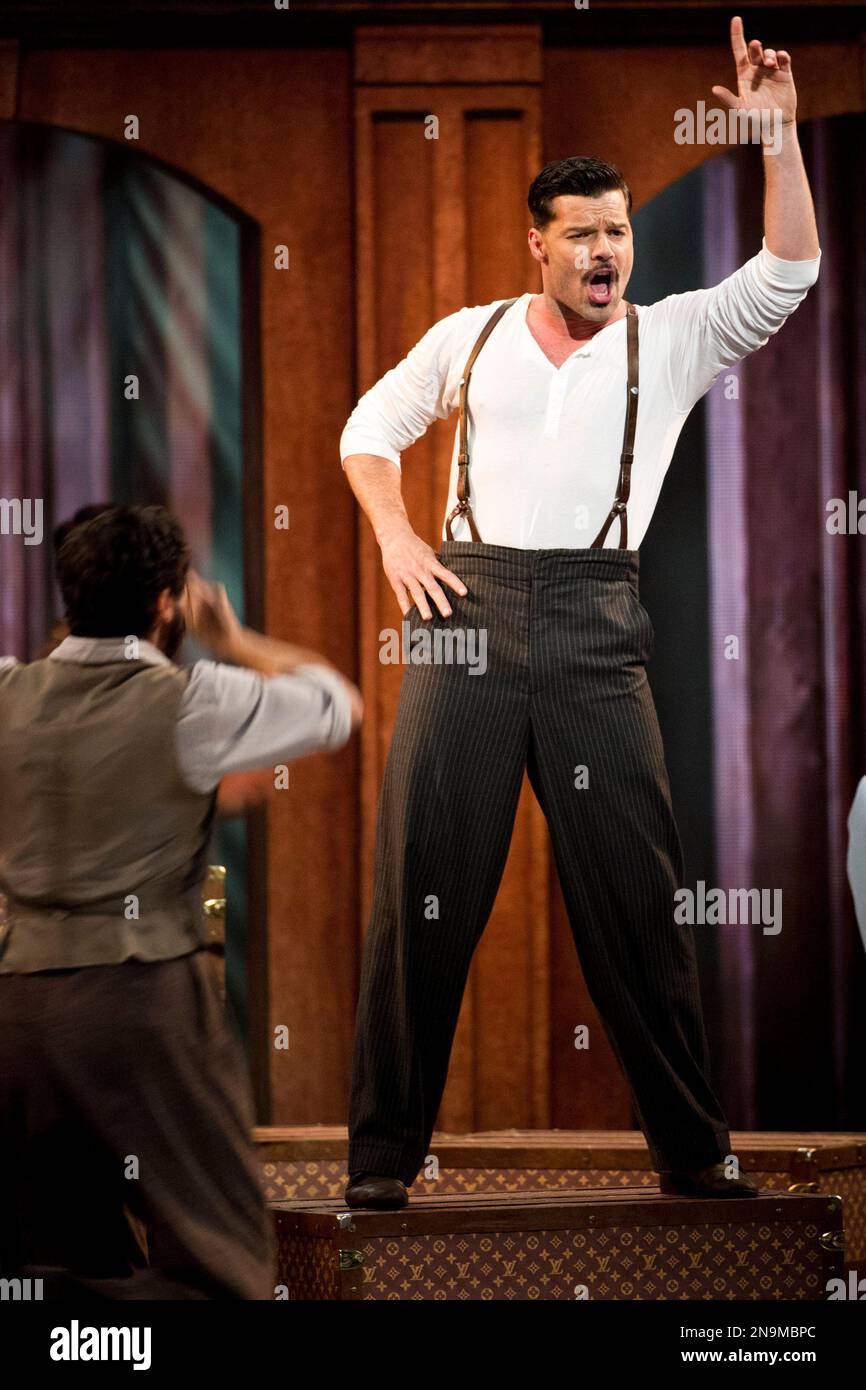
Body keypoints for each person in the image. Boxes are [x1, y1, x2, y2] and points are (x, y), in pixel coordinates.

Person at [339, 17, 820, 1209]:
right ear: (538, 248)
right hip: (468, 609)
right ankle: (382, 1160)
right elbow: (365, 433)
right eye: (585, 236)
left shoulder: (674, 335)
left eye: (619, 232)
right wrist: (399, 536)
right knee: (422, 886)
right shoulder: (474, 337)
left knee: (634, 896)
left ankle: (693, 1151)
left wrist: (777, 141)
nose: (608, 252)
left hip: (597, 625)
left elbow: (790, 273)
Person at [0, 504, 362, 1297]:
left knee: (47, 1247)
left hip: (17, 1009)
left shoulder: (9, 691)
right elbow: (336, 703)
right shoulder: (193, 699)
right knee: (219, 1258)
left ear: (68, 594)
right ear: (167, 602)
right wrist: (234, 640)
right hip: (141, 999)